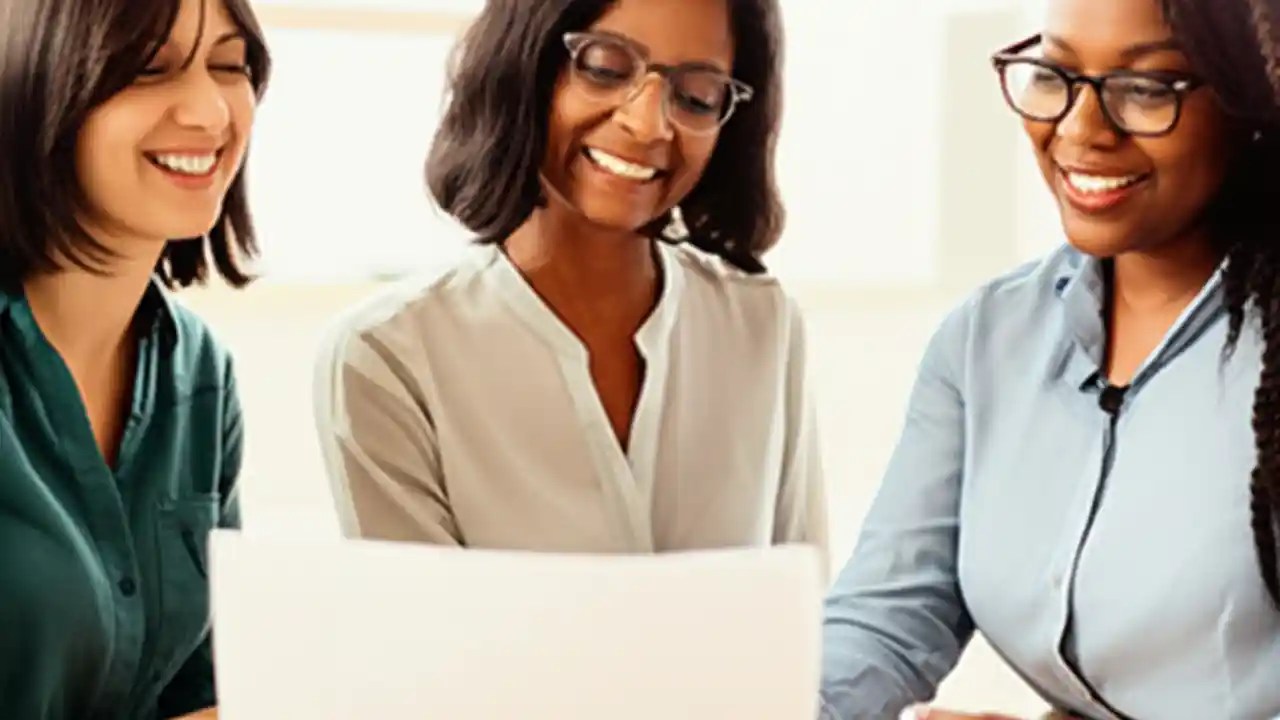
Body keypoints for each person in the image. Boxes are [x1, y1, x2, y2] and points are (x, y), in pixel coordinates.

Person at [819, 0, 1280, 717]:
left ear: (1250, 98)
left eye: (1147, 88)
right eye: (1056, 74)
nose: (1079, 129)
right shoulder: (988, 337)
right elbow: (888, 620)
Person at [314, 0, 827, 560]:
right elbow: (423, 630)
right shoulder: (389, 356)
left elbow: (804, 604)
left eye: (696, 96)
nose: (648, 123)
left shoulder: (762, 325)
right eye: (605, 67)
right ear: (524, 62)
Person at [0, 0, 271, 716]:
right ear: (33, 84)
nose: (211, 113)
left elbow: (204, 691)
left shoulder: (202, 374)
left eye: (228, 65)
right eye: (150, 70)